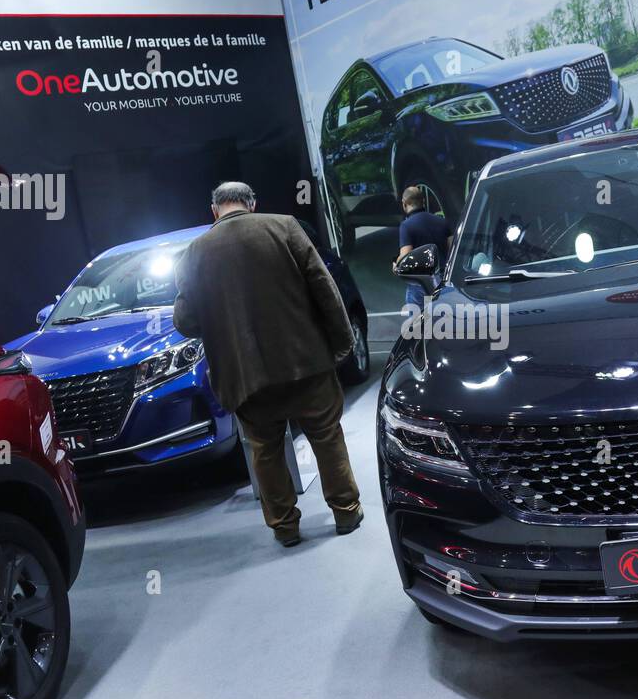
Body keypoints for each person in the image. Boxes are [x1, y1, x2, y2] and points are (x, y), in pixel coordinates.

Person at [173, 182, 363, 548]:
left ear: (215, 211)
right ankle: (346, 511)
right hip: (305, 362)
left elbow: (185, 321)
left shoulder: (194, 252)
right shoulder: (285, 226)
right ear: (253, 204)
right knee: (327, 437)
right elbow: (324, 287)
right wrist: (341, 343)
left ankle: (285, 527)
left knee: (266, 449)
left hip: (245, 376)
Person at [394, 186, 452, 308]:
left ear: (404, 204)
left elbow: (406, 256)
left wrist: (396, 264)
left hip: (420, 285)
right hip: (444, 280)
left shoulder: (406, 226)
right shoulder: (442, 221)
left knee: (418, 323)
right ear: (423, 201)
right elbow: (452, 250)